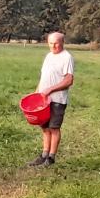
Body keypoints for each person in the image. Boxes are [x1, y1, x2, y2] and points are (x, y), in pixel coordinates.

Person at [27, 31, 74, 167]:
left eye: (56, 43)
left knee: (54, 128)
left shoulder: (67, 57)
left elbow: (69, 80)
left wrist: (51, 89)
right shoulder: (48, 56)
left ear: (62, 42)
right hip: (43, 100)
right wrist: (37, 92)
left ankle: (51, 158)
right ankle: (43, 155)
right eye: (50, 43)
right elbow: (44, 78)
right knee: (45, 128)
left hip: (57, 100)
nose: (53, 46)